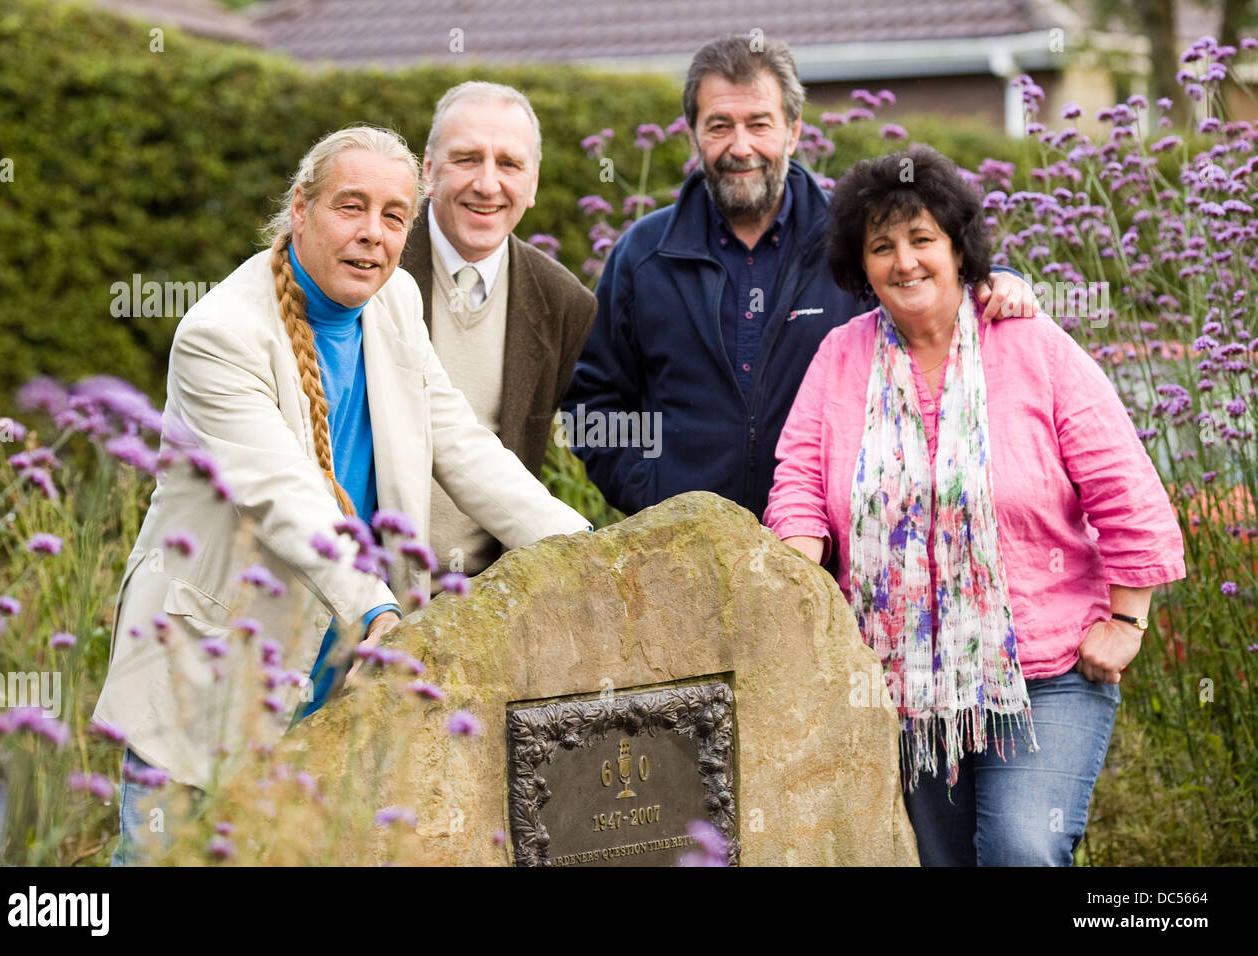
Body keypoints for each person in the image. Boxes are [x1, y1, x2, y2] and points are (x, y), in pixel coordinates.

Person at [94, 126, 589, 863]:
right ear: (301, 210)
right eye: (349, 207)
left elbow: (464, 446)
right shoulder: (220, 335)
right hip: (213, 676)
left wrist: (588, 551)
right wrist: (377, 608)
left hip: (338, 675)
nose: (372, 235)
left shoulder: (395, 304)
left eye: (394, 216)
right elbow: (287, 496)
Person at [763, 145, 1185, 866]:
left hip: (1045, 673)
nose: (905, 262)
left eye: (922, 239)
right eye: (882, 247)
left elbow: (1124, 487)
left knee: (1022, 846)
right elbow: (799, 482)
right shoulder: (840, 356)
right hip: (899, 682)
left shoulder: (1030, 345)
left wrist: (1127, 618)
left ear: (959, 248)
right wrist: (798, 570)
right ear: (859, 267)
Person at [564, 33, 1036, 521]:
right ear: (693, 135)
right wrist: (647, 488)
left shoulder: (856, 242)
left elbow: (926, 291)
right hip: (680, 555)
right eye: (719, 125)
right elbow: (592, 400)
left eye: (759, 124)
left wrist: (994, 277)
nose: (740, 146)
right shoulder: (643, 255)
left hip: (831, 557)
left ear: (792, 131)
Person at [383, 82, 596, 580]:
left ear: (534, 182)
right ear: (429, 171)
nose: (487, 183)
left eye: (509, 164)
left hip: (490, 600)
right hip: (373, 590)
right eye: (466, 159)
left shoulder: (564, 303)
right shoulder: (375, 269)